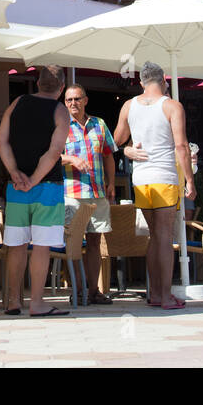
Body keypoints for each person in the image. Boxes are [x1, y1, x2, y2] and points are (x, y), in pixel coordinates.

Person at [115, 61, 195, 311]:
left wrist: (128, 150)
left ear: (141, 82)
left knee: (153, 236)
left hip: (140, 179)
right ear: (164, 81)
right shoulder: (172, 106)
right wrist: (190, 180)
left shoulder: (129, 106)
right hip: (164, 176)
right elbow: (181, 147)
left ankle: (155, 294)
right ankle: (166, 295)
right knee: (164, 236)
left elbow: (116, 140)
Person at [0, 65, 71, 317]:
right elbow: (54, 152)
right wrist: (35, 180)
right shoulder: (60, 111)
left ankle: (13, 301)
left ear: (37, 83)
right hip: (47, 187)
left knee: (16, 245)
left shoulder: (17, 103)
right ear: (61, 88)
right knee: (41, 246)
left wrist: (14, 172)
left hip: (16, 188)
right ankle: (37, 303)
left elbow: (0, 140)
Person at [61, 83, 117, 305]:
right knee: (74, 243)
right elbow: (51, 156)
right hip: (71, 193)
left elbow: (109, 155)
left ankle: (94, 291)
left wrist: (112, 183)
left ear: (85, 100)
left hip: (97, 191)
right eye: (68, 100)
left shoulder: (99, 124)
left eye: (77, 99)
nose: (73, 103)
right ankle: (78, 290)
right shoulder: (60, 125)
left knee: (95, 241)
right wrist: (71, 159)